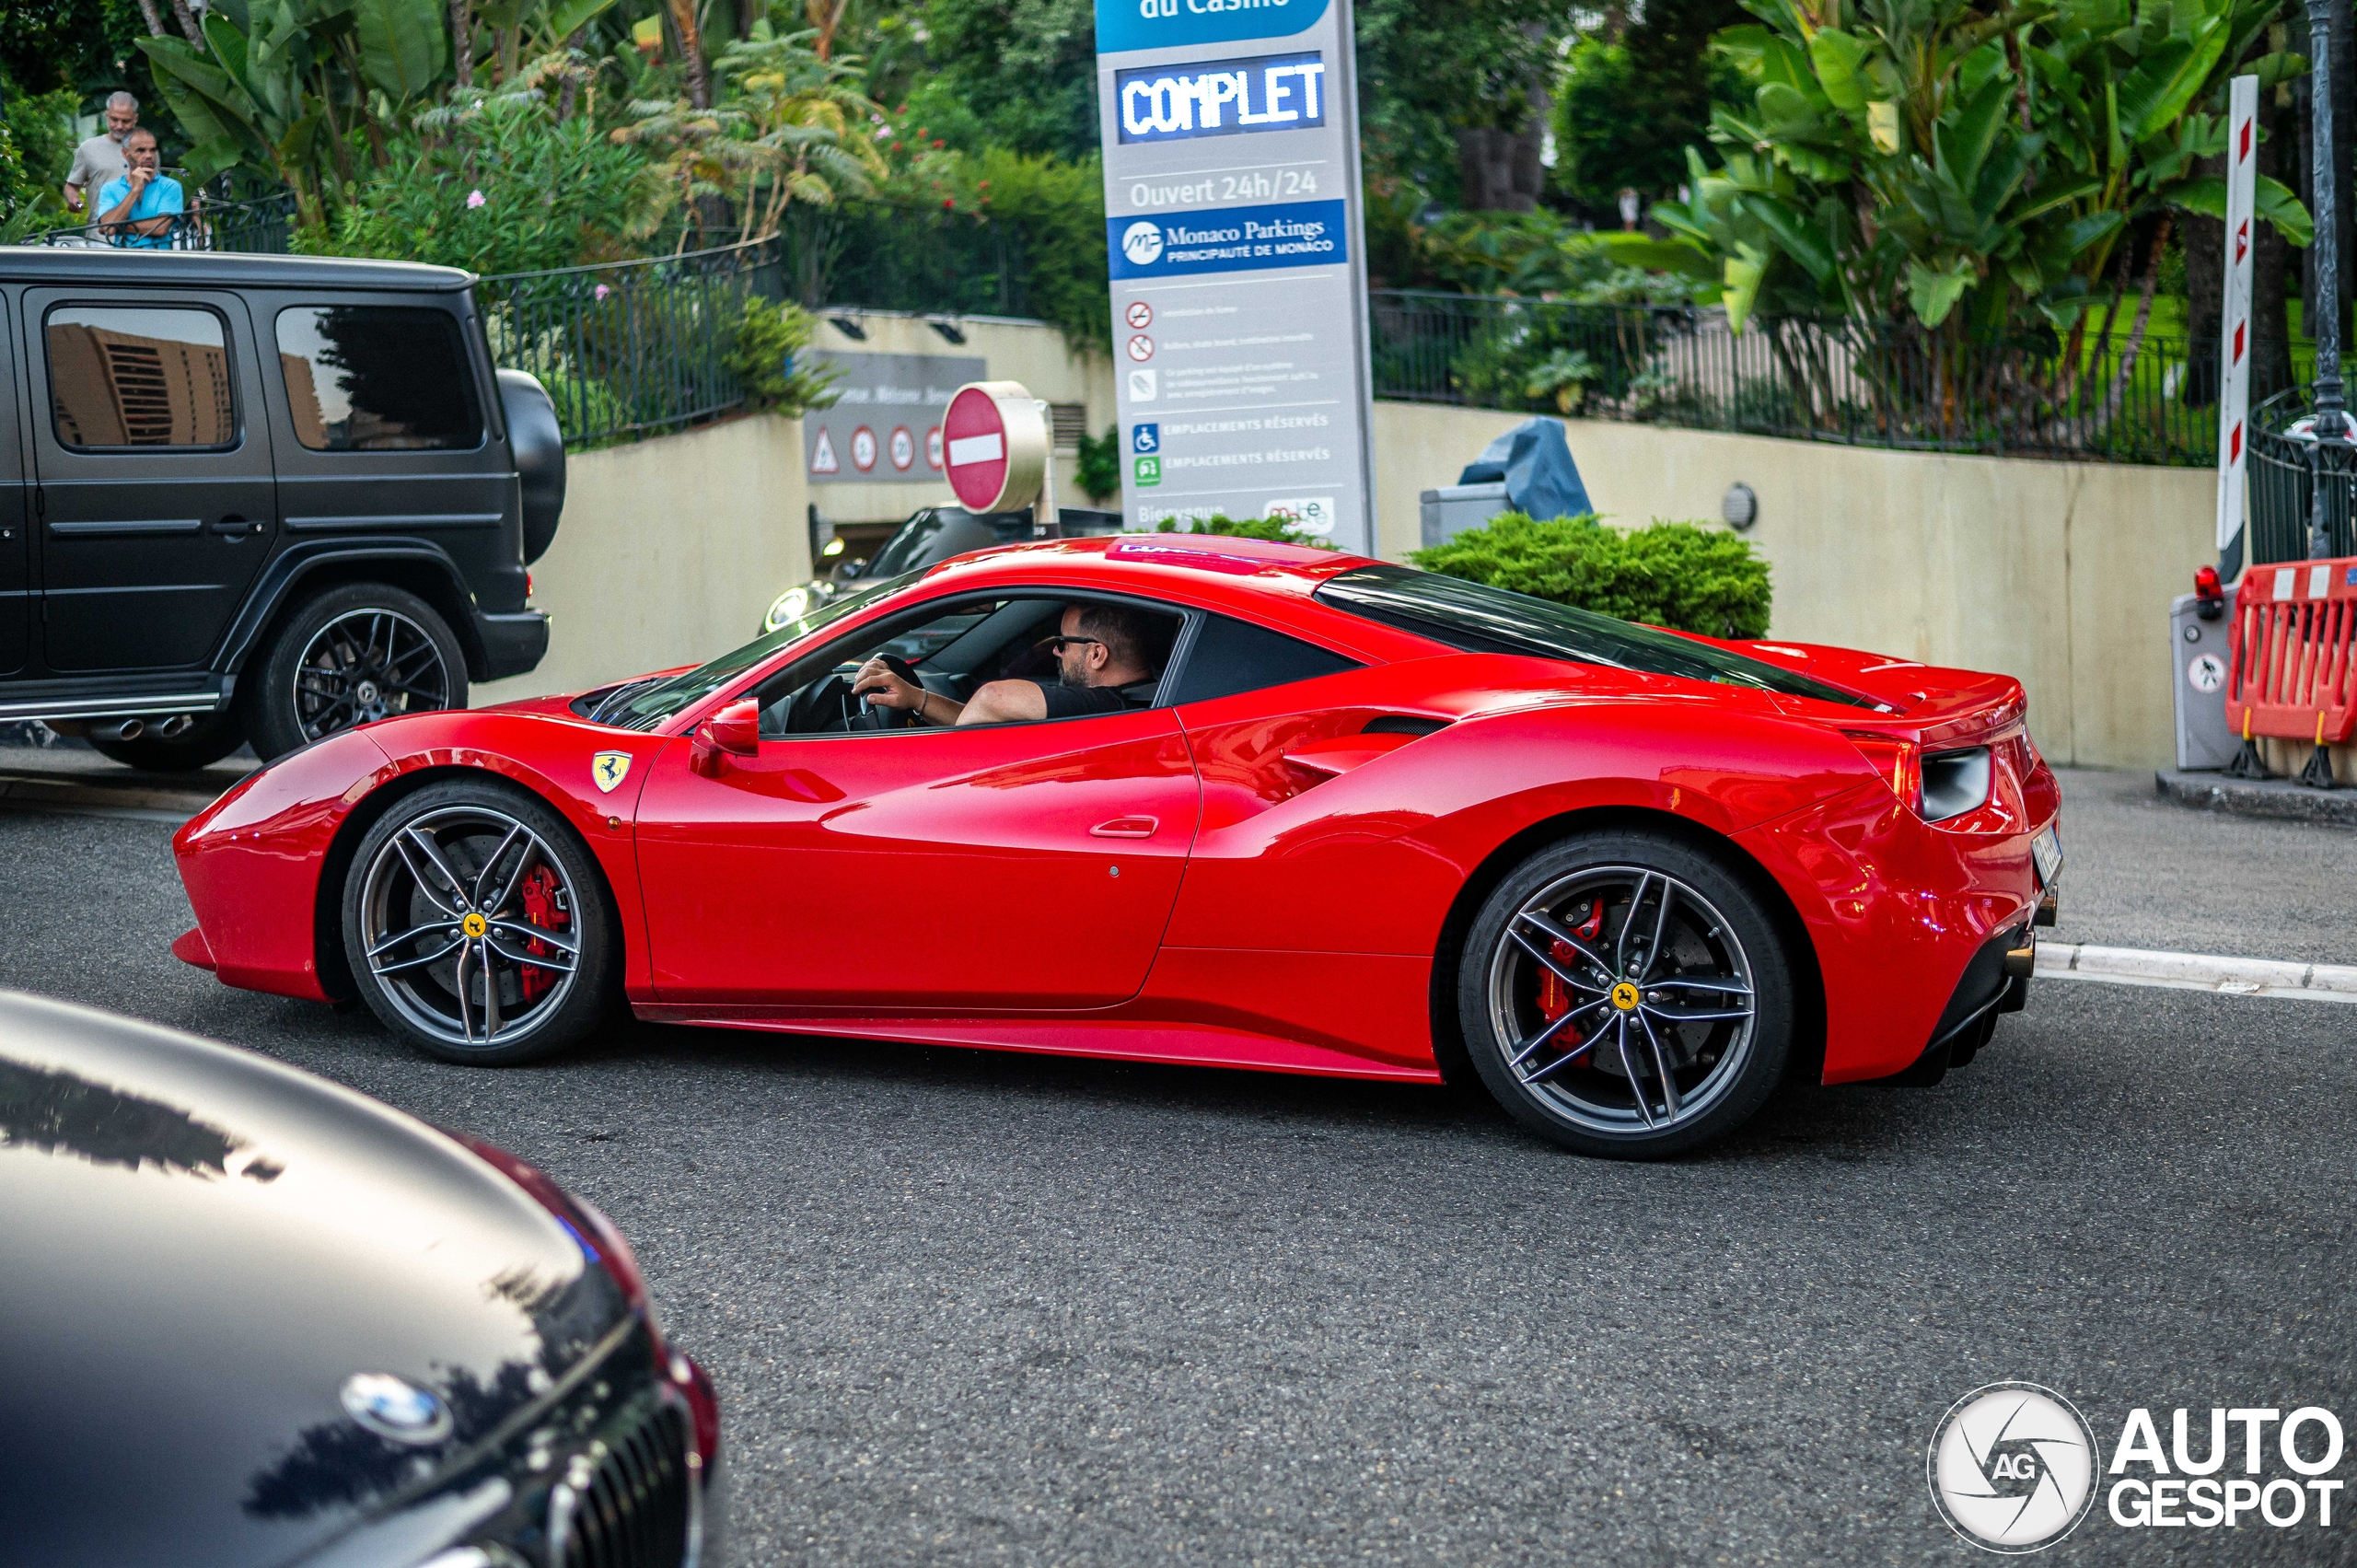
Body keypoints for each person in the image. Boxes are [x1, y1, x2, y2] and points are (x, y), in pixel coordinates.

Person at [853, 602, 1158, 726]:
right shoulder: (1139, 698)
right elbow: (987, 717)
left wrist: (938, 757)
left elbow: (993, 699)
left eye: (1063, 643)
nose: (1055, 651)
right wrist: (917, 698)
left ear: (1096, 655)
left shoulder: (1108, 705)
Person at [93, 129, 183, 250]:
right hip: (124, 261)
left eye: (153, 150)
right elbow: (108, 229)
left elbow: (161, 228)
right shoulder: (110, 188)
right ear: (125, 153)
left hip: (159, 260)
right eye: (141, 150)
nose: (149, 155)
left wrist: (120, 225)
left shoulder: (170, 186)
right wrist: (135, 190)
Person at [64, 92, 140, 215]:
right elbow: (71, 186)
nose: (119, 126)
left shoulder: (147, 150)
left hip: (140, 231)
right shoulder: (88, 148)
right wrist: (76, 202)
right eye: (114, 120)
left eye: (125, 121)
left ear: (135, 119)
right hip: (99, 231)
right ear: (107, 115)